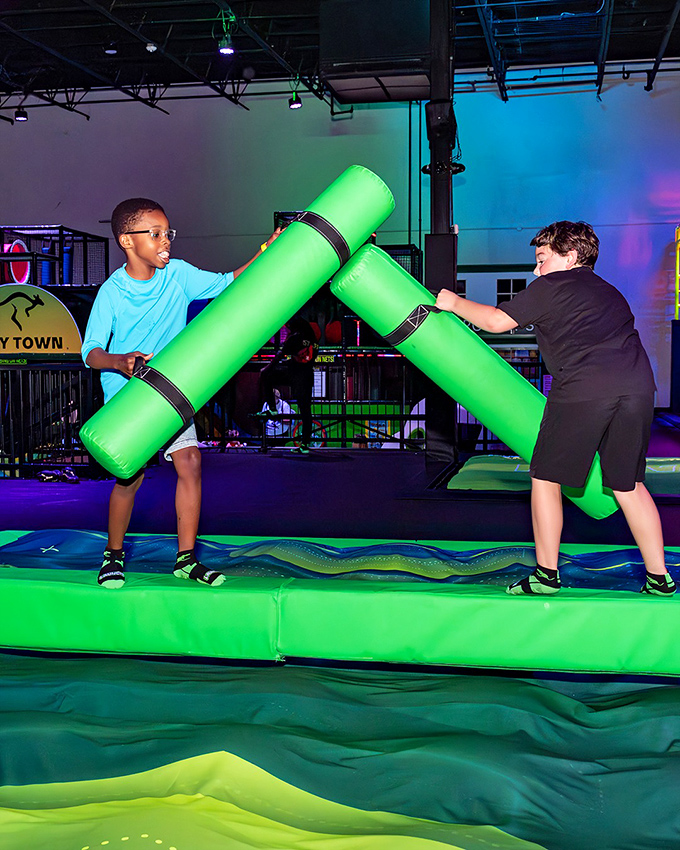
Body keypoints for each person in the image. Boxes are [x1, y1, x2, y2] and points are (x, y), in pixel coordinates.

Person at [435, 220, 676, 597]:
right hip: (638, 388)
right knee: (628, 484)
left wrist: (453, 303)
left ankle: (546, 576)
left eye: (542, 259)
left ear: (571, 256)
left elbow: (497, 321)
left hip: (585, 387)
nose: (537, 269)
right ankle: (659, 578)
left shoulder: (552, 286)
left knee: (546, 479)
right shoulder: (611, 292)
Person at [82, 197, 279, 589]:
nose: (165, 241)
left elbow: (229, 282)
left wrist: (268, 251)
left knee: (189, 461)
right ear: (127, 240)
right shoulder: (113, 292)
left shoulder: (180, 275)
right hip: (127, 396)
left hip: (171, 391)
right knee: (129, 478)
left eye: (167, 232)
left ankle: (186, 559)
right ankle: (113, 556)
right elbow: (90, 353)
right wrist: (121, 361)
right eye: (154, 234)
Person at [260, 316, 319, 453]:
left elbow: (281, 354)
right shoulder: (313, 340)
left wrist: (267, 369)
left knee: (268, 376)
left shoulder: (296, 338)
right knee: (305, 410)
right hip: (305, 375)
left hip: (295, 373)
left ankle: (273, 408)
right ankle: (305, 445)